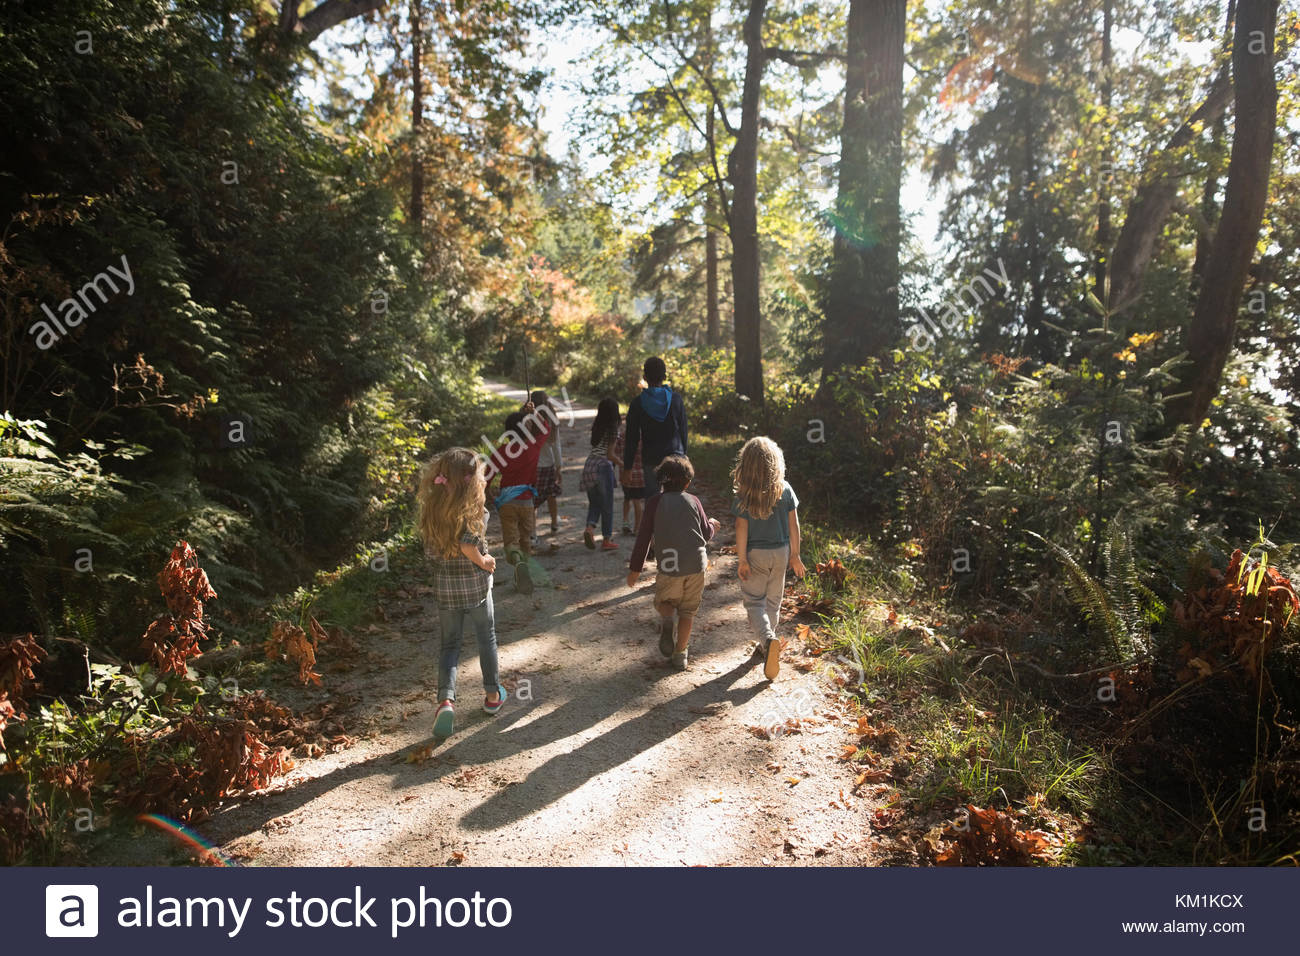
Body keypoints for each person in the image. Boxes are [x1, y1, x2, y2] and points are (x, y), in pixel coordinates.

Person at [416, 447, 507, 738]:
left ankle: (446, 701)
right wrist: (485, 561)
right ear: (472, 479)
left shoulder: (431, 509)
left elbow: (430, 552)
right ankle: (493, 696)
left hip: (446, 589)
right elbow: (469, 546)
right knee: (486, 637)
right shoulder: (476, 510)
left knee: (450, 646)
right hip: (477, 587)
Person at [626, 455, 720, 670]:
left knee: (665, 602)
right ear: (687, 482)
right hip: (696, 564)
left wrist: (635, 569)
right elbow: (706, 534)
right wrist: (713, 524)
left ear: (661, 482)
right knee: (687, 612)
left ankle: (667, 621)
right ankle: (681, 654)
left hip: (669, 565)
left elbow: (643, 537)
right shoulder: (694, 501)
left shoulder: (654, 503)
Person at [730, 436, 805, 680]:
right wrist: (795, 555)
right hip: (781, 553)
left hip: (756, 554)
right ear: (776, 463)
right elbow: (794, 525)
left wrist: (742, 559)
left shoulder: (745, 494)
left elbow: (741, 529)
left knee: (754, 601)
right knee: (773, 601)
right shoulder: (785, 489)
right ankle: (767, 644)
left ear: (746, 465)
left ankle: (768, 640)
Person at [488, 397, 552, 593]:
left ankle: (518, 564)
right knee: (526, 539)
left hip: (507, 503)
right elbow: (546, 428)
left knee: (511, 541)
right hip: (527, 502)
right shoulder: (532, 448)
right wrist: (534, 413)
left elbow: (486, 477)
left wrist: (488, 496)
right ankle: (523, 568)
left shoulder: (501, 451)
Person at [623, 356, 687, 497]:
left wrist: (627, 468)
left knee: (653, 503)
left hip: (652, 460)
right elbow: (683, 432)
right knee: (677, 500)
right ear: (664, 376)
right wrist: (684, 457)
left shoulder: (638, 403)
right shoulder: (676, 400)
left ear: (645, 377)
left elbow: (631, 438)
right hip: (676, 458)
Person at [579, 397, 621, 551]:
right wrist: (625, 465)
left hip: (589, 465)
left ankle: (589, 529)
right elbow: (610, 454)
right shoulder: (613, 429)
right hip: (603, 467)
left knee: (595, 503)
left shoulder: (596, 427)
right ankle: (606, 539)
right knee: (607, 505)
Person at [530, 389, 562, 543]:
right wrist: (559, 467)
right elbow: (556, 446)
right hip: (548, 465)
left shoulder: (527, 421)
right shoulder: (551, 421)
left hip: (532, 466)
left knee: (532, 501)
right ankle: (554, 522)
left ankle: (532, 533)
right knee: (551, 496)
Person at [614, 383, 646, 534]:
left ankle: (626, 523)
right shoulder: (644, 436)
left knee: (627, 499)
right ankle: (637, 527)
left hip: (626, 473)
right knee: (637, 501)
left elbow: (618, 452)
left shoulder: (622, 435)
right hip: (640, 475)